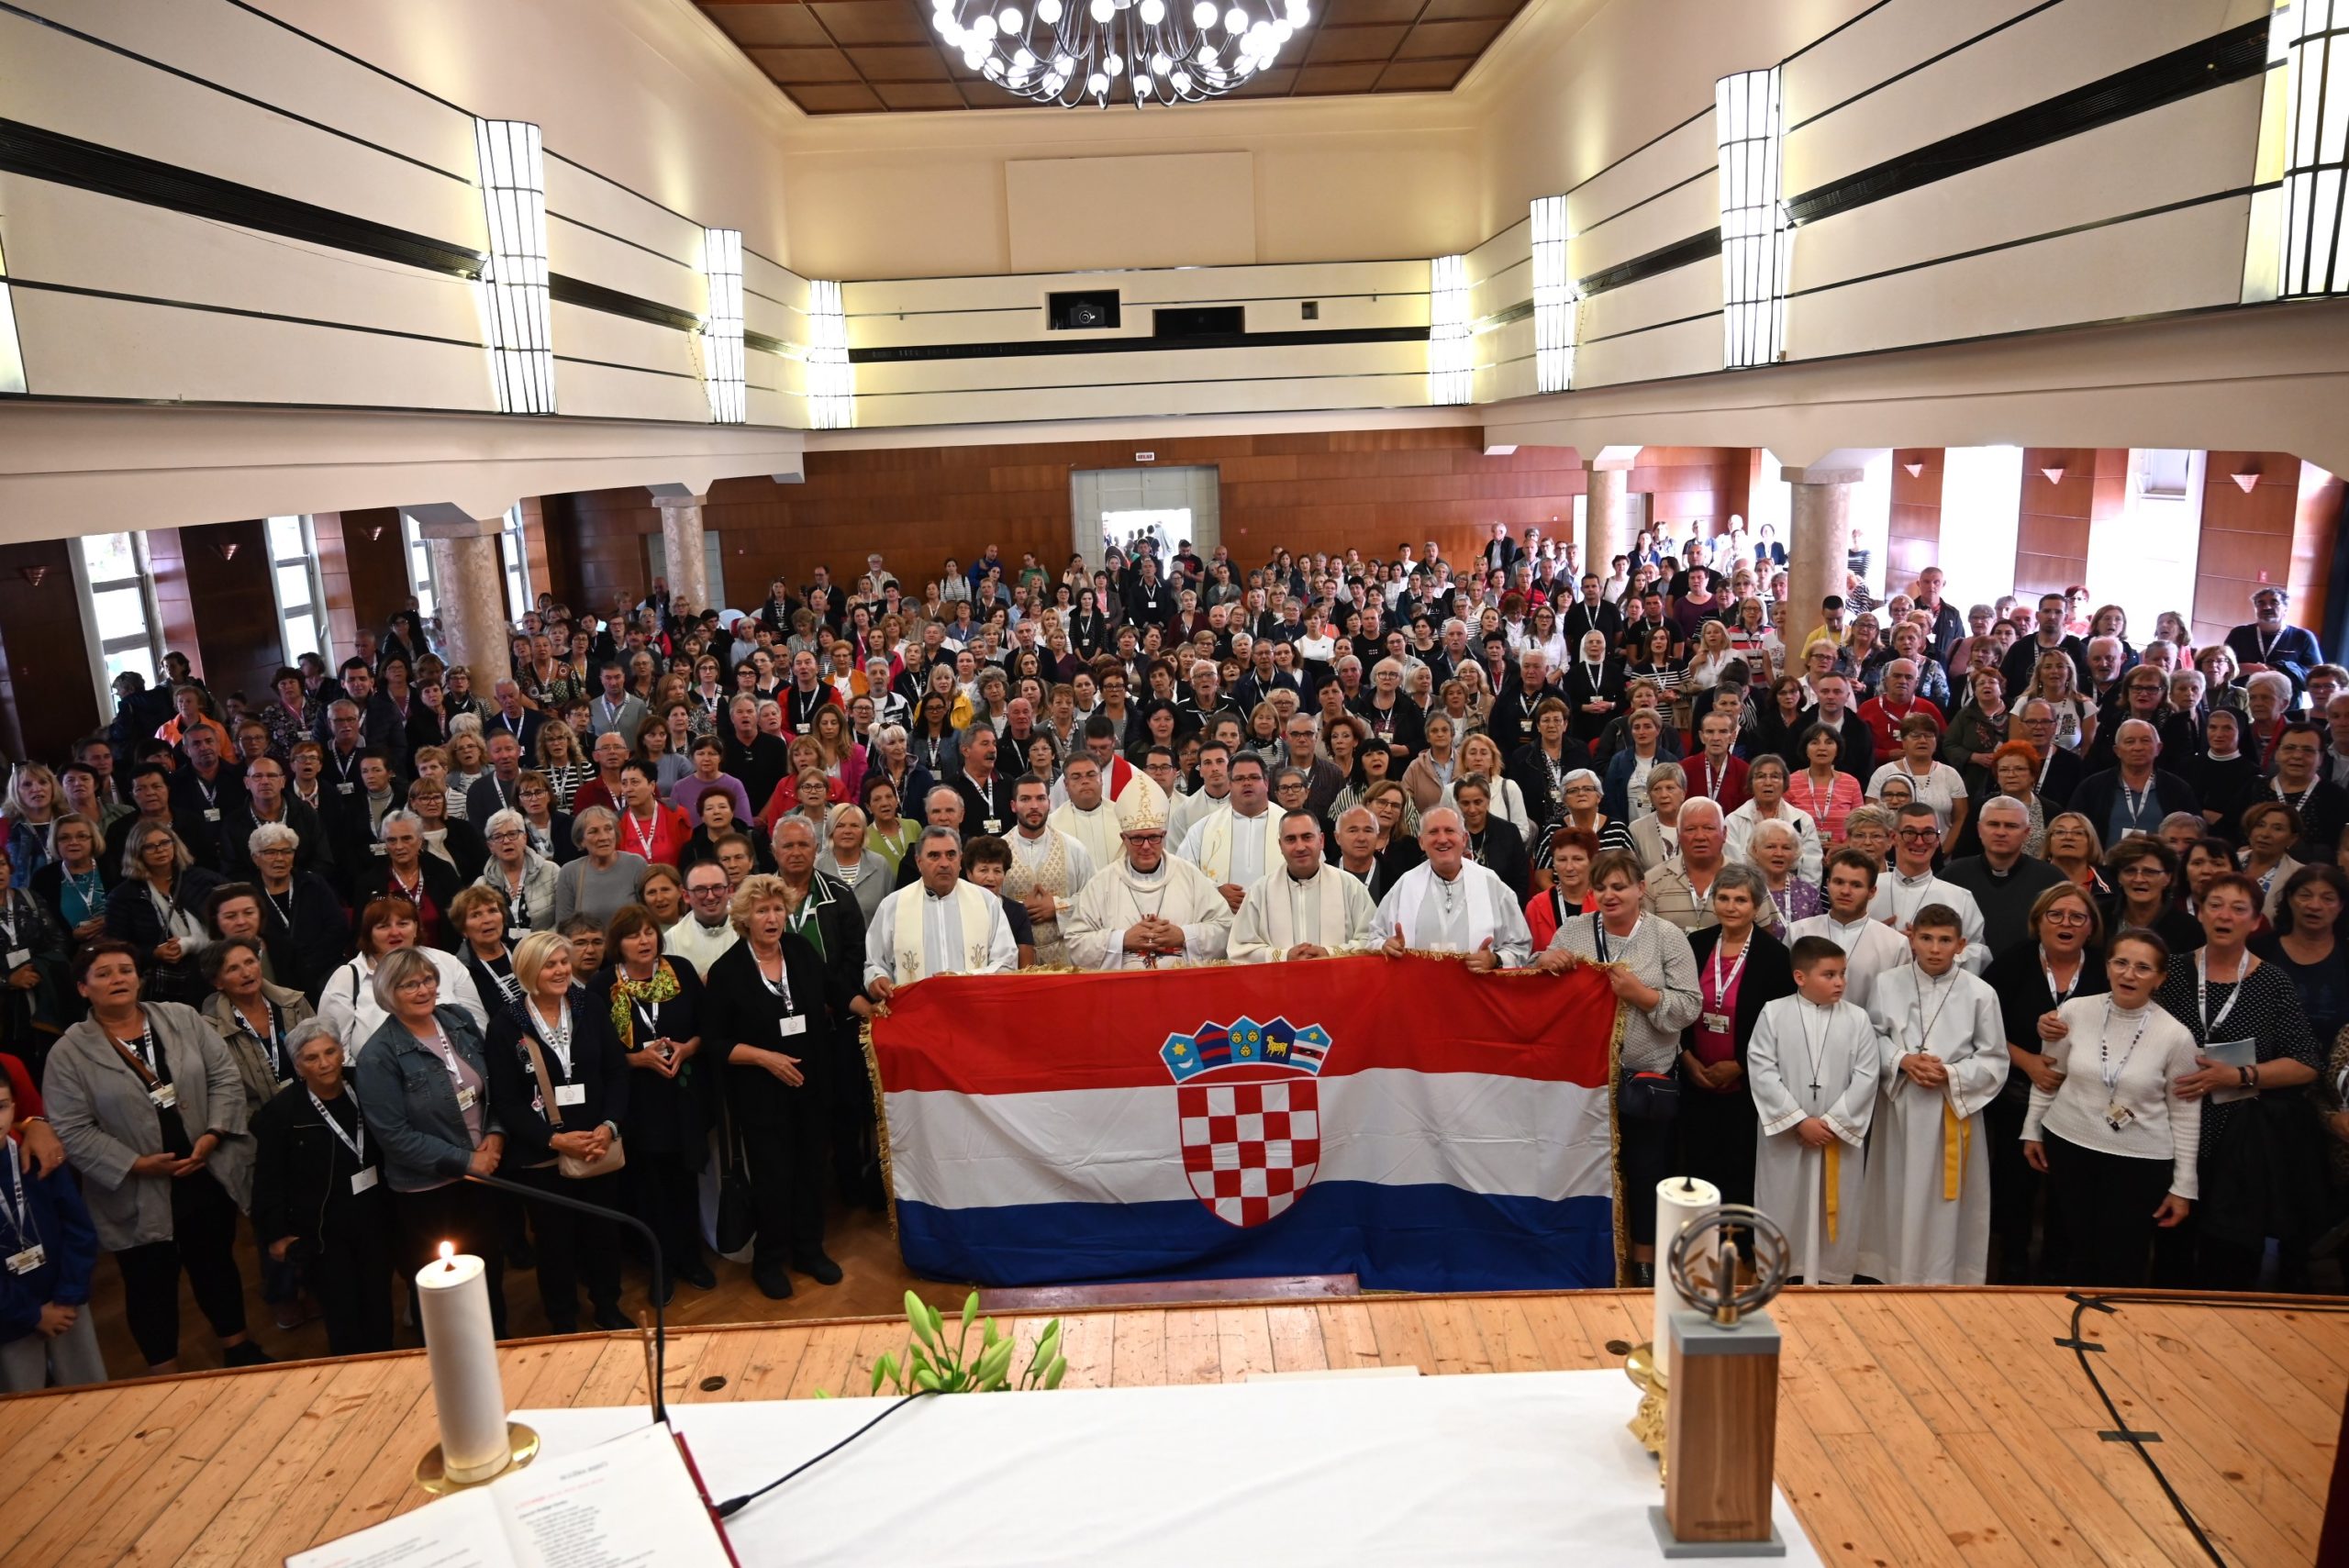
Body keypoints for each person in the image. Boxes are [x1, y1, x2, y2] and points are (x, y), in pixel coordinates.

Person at [47, 940, 268, 1372]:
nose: (118, 979)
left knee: (216, 1264)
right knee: (149, 1283)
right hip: (136, 1189)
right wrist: (136, 1165)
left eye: (126, 970)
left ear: (139, 978)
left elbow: (224, 1076)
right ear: (83, 988)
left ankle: (238, 1347)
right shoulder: (68, 1053)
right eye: (104, 974)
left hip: (204, 1170)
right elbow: (72, 1130)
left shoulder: (181, 1017)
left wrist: (214, 1133)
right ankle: (162, 1374)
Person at [1532, 848, 1699, 1281]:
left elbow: (1689, 1007)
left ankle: (1643, 1259)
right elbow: (1537, 985)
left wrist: (1641, 995)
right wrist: (1542, 960)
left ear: (1641, 889)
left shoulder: (1666, 936)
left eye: (1620, 887)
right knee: (1581, 1169)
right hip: (1584, 1082)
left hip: (1646, 1078)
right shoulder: (1574, 931)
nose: (1610, 895)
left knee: (1645, 1171)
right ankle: (1583, 1250)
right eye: (1602, 887)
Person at [2153, 873, 2323, 1288]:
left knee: (2230, 1262)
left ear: (2255, 921)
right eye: (2215, 905)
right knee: (2169, 1255)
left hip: (2240, 1141)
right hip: (2168, 1133)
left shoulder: (2272, 982)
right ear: (2200, 913)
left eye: (2238, 908)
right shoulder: (2170, 971)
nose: (2224, 915)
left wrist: (2239, 1075)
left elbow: (2306, 1062)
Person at [2023, 931, 2199, 1286]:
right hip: (2068, 1146)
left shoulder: (2177, 1036)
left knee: (2122, 1262)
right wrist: (2031, 1129)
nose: (2128, 974)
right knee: (2067, 1252)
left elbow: (2185, 1114)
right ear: (2107, 968)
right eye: (2120, 963)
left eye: (2143, 967)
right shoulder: (2073, 1011)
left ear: (2160, 978)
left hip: (2138, 1163)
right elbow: (2049, 1075)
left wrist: (2184, 1185)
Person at [352, 945, 508, 1337]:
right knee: (443, 1295)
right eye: (409, 985)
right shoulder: (377, 1056)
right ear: (388, 994)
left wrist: (495, 1134)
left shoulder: (458, 1020)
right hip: (428, 1191)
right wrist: (466, 1161)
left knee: (490, 1270)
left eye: (427, 980)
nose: (423, 990)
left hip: (483, 1174)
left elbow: (495, 1087)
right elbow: (395, 1137)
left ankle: (499, 1346)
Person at [482, 932, 631, 1333]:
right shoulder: (506, 1024)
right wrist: (554, 1139)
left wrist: (609, 1126)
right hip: (542, 1155)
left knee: (603, 1234)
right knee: (554, 1241)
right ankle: (562, 1317)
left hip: (598, 1145)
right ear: (529, 970)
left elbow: (616, 1073)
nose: (562, 970)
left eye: (564, 962)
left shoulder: (590, 1006)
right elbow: (506, 1102)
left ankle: (607, 1305)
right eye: (550, 964)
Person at [703, 874, 840, 1298]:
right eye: (762, 910)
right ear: (745, 918)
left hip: (811, 1087)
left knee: (811, 1172)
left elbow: (835, 993)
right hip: (761, 1096)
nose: (772, 917)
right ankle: (768, 1260)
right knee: (773, 1179)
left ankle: (809, 1251)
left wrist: (874, 1006)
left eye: (778, 909)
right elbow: (715, 1043)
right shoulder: (727, 971)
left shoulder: (800, 951)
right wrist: (767, 1058)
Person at [1856, 905, 2007, 1284]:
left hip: (1950, 1111)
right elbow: (1870, 1037)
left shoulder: (1981, 993)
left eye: (1944, 940)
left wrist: (1949, 1074)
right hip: (1901, 1107)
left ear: (1961, 944)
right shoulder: (1887, 983)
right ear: (1912, 938)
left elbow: (1994, 1059)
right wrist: (1903, 1060)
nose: (1935, 949)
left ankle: (1943, 1275)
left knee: (1945, 1201)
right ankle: (1892, 1272)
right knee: (1897, 1191)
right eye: (1926, 938)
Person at [249, 1018, 394, 1355]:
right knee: (341, 1308)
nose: (325, 1063)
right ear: (298, 1066)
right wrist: (276, 1234)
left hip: (376, 1215)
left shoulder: (365, 1086)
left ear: (342, 1053)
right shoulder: (281, 1113)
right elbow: (268, 1179)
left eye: (330, 1052)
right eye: (312, 1058)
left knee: (379, 1299)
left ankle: (386, 1360)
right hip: (323, 1228)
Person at [596, 904, 715, 1297]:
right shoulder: (602, 987)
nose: (644, 940)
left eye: (649, 932)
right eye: (633, 935)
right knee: (649, 1188)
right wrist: (636, 1059)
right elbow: (598, 1054)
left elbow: (707, 1026)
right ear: (618, 944)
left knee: (685, 1179)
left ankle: (691, 1258)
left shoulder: (679, 971)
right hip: (638, 1102)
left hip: (683, 1094)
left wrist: (688, 1048)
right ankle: (659, 1267)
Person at [1747, 936, 1879, 1284]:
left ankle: (1831, 1274)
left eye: (1843, 974)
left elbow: (1867, 1076)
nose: (1840, 982)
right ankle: (1783, 1272)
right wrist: (1798, 1121)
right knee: (1783, 1200)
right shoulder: (1774, 1013)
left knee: (1836, 1206)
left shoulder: (1858, 1019)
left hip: (1835, 1137)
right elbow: (1762, 1070)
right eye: (1829, 975)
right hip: (1787, 1137)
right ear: (1800, 977)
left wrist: (1833, 1123)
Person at [1676, 865, 1790, 1207]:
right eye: (1723, 898)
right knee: (1697, 1164)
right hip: (1695, 1078)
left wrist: (1740, 1064)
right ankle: (1697, 1232)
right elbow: (1679, 1005)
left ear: (1756, 906)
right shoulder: (1695, 945)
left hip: (1747, 1086)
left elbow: (1780, 1025)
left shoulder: (1775, 956)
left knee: (1739, 1168)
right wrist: (1686, 1057)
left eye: (1741, 900)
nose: (1730, 907)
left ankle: (1738, 1235)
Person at [0, 1067, 104, 1392]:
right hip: (8, 1319)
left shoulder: (38, 1157)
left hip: (65, 1302)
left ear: (15, 1106)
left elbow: (79, 1228)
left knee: (90, 1394)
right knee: (22, 1411)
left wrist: (68, 1296)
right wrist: (32, 1314)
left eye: (1, 1106)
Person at [1064, 792, 1233, 972]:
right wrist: (1122, 940)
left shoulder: (1190, 876)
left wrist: (1184, 936)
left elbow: (1225, 927)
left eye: (1153, 837)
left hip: (1180, 984)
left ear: (1164, 836)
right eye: (1137, 838)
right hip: (1124, 986)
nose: (1146, 846)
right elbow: (1075, 942)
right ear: (1124, 839)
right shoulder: (1101, 883)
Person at [317, 897, 487, 1059]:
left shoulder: (447, 963)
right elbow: (333, 1049)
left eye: (403, 924)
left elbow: (479, 1028)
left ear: (416, 927)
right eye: (383, 926)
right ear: (369, 933)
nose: (395, 932)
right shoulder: (346, 978)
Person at [1375, 806, 1533, 968]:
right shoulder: (1406, 884)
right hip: (1418, 981)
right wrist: (1386, 946)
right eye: (1433, 832)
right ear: (1421, 842)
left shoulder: (1490, 883)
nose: (1442, 839)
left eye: (1449, 831)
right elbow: (1375, 937)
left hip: (1474, 982)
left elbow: (1520, 945)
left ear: (1464, 839)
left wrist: (1495, 960)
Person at [1229, 809, 1380, 962]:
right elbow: (1240, 949)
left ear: (1321, 841)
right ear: (1281, 845)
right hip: (1281, 977)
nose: (1300, 847)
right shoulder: (1261, 891)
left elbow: (1372, 939)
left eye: (1307, 837)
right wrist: (1284, 956)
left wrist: (1330, 953)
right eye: (1291, 839)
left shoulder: (1350, 886)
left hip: (1336, 976)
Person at [106, 820, 224, 1006]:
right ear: (137, 852)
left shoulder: (204, 879)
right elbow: (116, 947)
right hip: (166, 985)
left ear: (174, 844)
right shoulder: (123, 896)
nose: (160, 850)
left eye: (165, 843)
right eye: (150, 846)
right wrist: (153, 953)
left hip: (215, 971)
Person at [1939, 795, 2067, 953]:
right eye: (1993, 824)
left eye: (2011, 826)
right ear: (1979, 829)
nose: (2001, 832)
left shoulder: (2051, 880)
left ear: (2026, 832)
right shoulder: (1953, 875)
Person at [1869, 804, 1988, 972]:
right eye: (1910, 833)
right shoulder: (1868, 888)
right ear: (1893, 837)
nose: (1919, 842)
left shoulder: (1960, 897)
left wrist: (1929, 951)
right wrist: (1872, 936)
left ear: (1937, 839)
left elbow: (1977, 953)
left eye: (1928, 833)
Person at [1790, 848, 1911, 1010]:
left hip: (1869, 1026)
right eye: (1839, 882)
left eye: (1856, 885)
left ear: (1872, 891)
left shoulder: (1896, 944)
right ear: (1828, 884)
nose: (1845, 891)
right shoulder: (1798, 932)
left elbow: (1898, 1004)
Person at [2254, 864, 2349, 1060]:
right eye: (2305, 896)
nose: (2314, 905)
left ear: (2341, 906)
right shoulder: (2259, 950)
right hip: (2267, 1065)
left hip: (2337, 1066)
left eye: (2328, 898)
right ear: (2290, 899)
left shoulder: (2345, 954)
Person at [1178, 752, 1285, 914]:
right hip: (1223, 921)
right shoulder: (1202, 829)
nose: (1247, 783)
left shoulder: (1290, 825)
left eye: (1254, 777)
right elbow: (1182, 874)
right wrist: (1215, 890)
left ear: (1266, 783)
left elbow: (1312, 870)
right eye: (1239, 779)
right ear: (1229, 784)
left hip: (1278, 918)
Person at [1723, 756, 1822, 884]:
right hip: (1747, 892)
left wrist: (1801, 895)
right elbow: (1734, 869)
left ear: (1785, 783)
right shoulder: (1733, 821)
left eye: (1775, 777)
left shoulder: (1803, 821)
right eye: (1760, 777)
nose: (1768, 783)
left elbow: (1812, 872)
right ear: (1751, 783)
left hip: (1794, 894)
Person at [2099, 836, 2202, 956]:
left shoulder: (2189, 929)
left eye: (2149, 872)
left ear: (2168, 878)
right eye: (2130, 871)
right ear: (2119, 877)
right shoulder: (2099, 917)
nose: (2139, 879)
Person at [555, 806, 651, 929]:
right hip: (588, 941)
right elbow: (564, 927)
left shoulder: (636, 864)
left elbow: (649, 917)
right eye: (593, 831)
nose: (604, 837)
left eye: (608, 829)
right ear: (581, 840)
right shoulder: (569, 872)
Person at [476, 808, 560, 937]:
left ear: (524, 838)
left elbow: (565, 920)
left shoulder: (551, 871)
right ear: (490, 846)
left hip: (547, 946)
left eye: (512, 834)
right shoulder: (481, 885)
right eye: (498, 837)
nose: (506, 841)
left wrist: (539, 945)